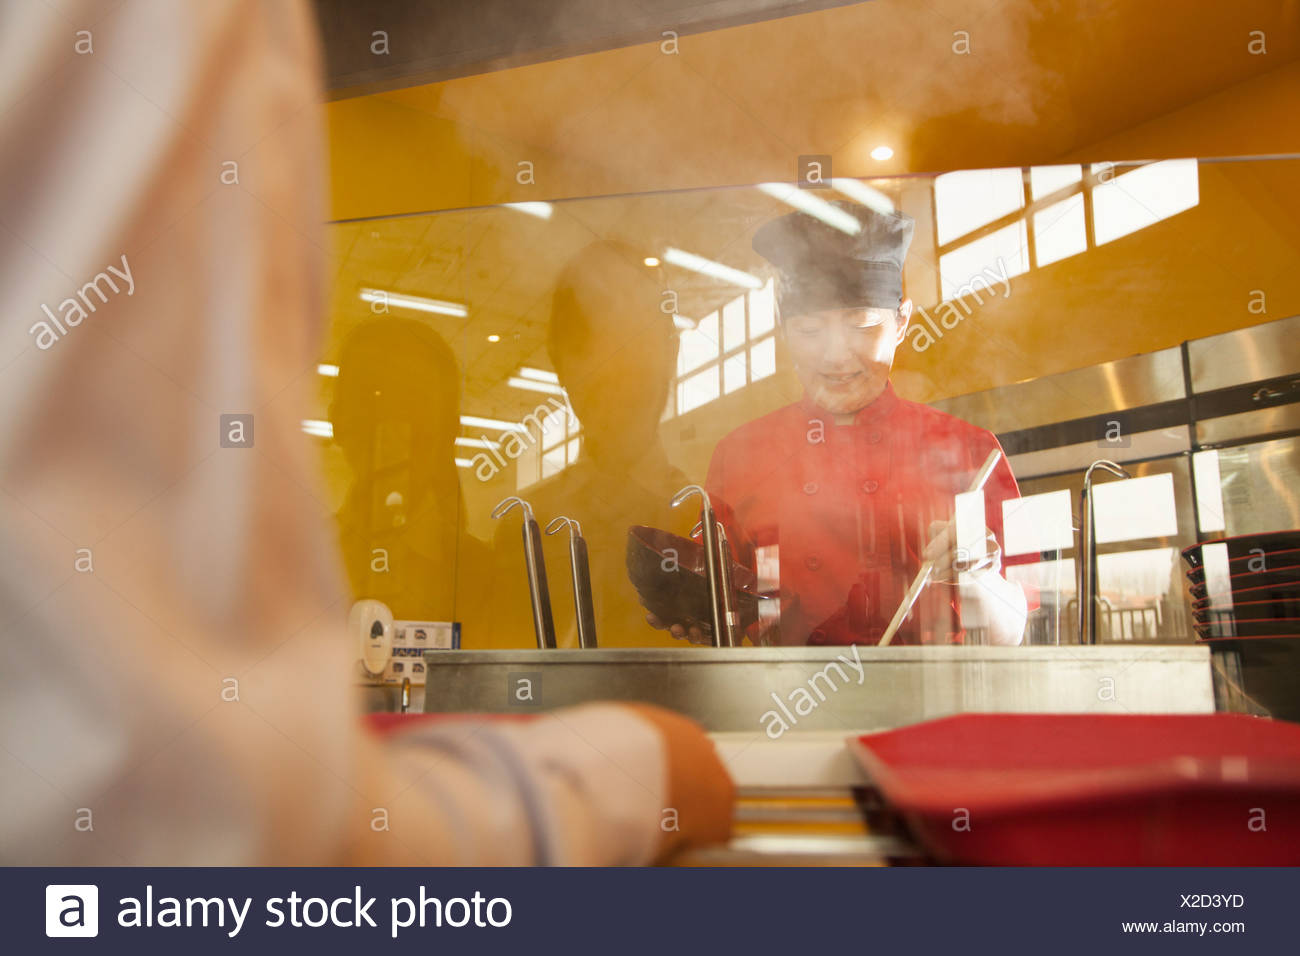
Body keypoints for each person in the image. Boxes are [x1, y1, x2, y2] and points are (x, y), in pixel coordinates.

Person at [0, 0, 731, 865]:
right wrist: (602, 790)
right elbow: (158, 820)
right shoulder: (489, 537)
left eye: (419, 420)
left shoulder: (689, 515)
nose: (397, 443)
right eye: (376, 412)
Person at [652, 202, 1028, 647]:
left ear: (902, 322)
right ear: (782, 328)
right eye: (810, 331)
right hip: (789, 710)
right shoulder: (739, 455)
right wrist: (702, 614)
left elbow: (1016, 631)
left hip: (933, 709)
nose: (835, 356)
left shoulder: (971, 450)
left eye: (862, 325)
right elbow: (731, 602)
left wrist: (979, 576)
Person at [489, 240, 697, 648]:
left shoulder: (706, 524)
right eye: (590, 343)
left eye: (633, 337)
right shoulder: (523, 534)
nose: (615, 367)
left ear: (670, 353)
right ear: (559, 364)